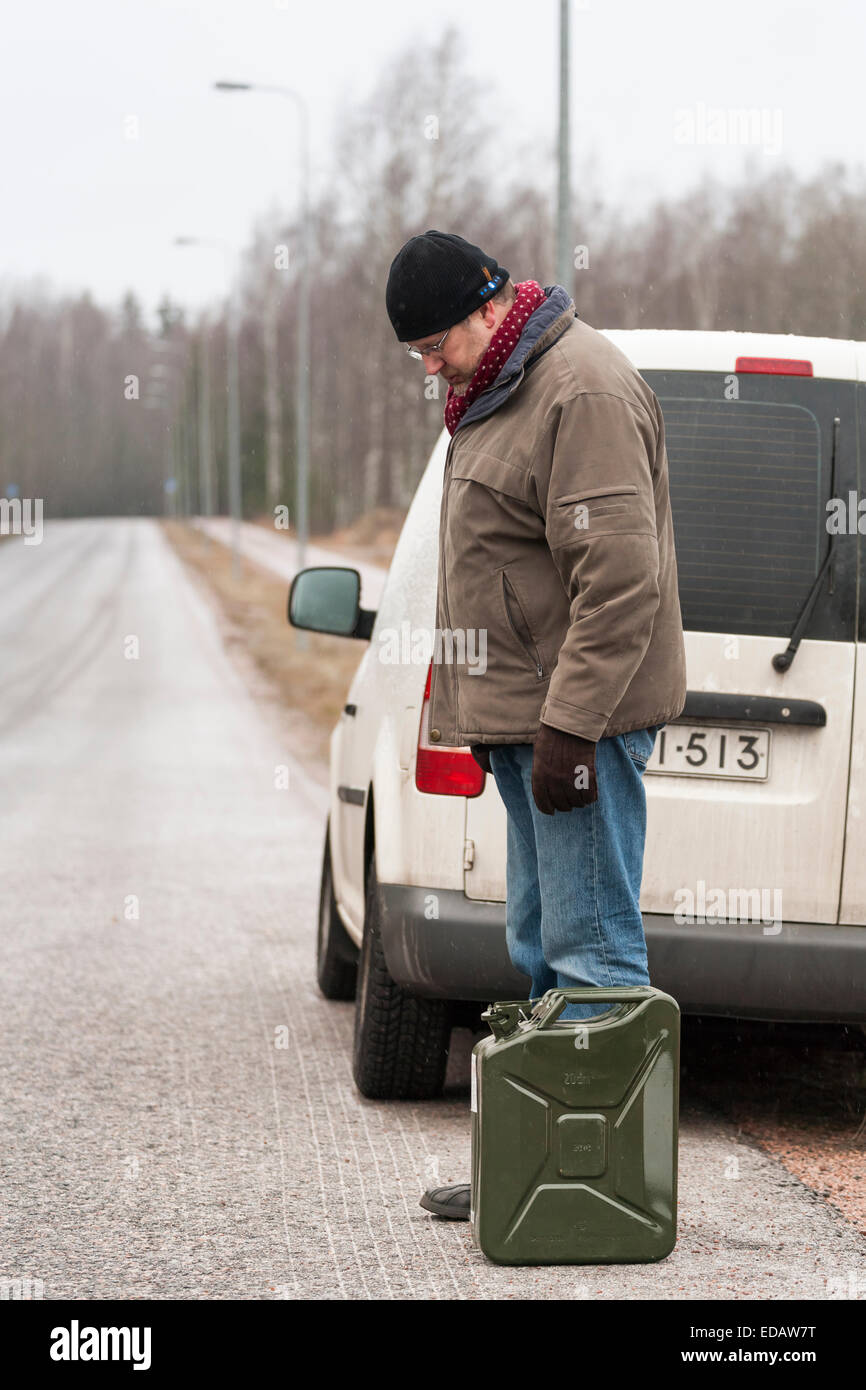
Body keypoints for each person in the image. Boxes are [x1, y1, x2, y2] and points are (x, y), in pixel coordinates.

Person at [384, 231, 687, 1220]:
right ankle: (532, 1160)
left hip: (578, 733)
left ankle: (599, 1192)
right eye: (416, 356)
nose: (430, 367)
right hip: (532, 727)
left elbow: (620, 581)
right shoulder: (500, 387)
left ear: (487, 307)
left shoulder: (577, 388)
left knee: (591, 960)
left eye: (435, 345)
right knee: (537, 946)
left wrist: (566, 729)